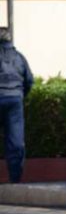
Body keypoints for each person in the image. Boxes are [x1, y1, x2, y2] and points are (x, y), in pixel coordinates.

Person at [0, 28, 33, 184]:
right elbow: (29, 81)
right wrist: (20, 95)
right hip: (15, 100)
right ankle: (15, 179)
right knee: (15, 140)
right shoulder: (20, 57)